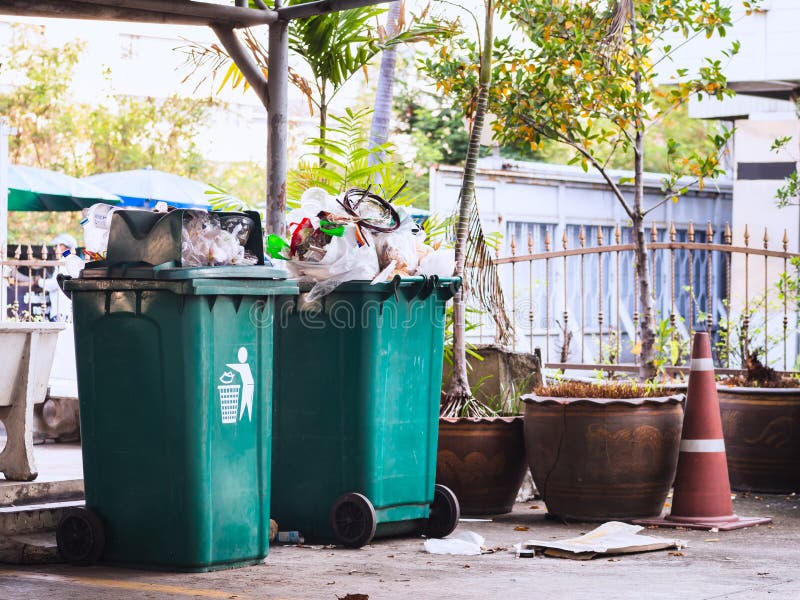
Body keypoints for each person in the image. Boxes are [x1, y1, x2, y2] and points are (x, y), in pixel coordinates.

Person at [40, 233, 81, 321]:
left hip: (61, 311)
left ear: (64, 246)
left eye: (57, 245)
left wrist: (39, 281)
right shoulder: (75, 260)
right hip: (68, 310)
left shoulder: (64, 261)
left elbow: (55, 284)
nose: (55, 248)